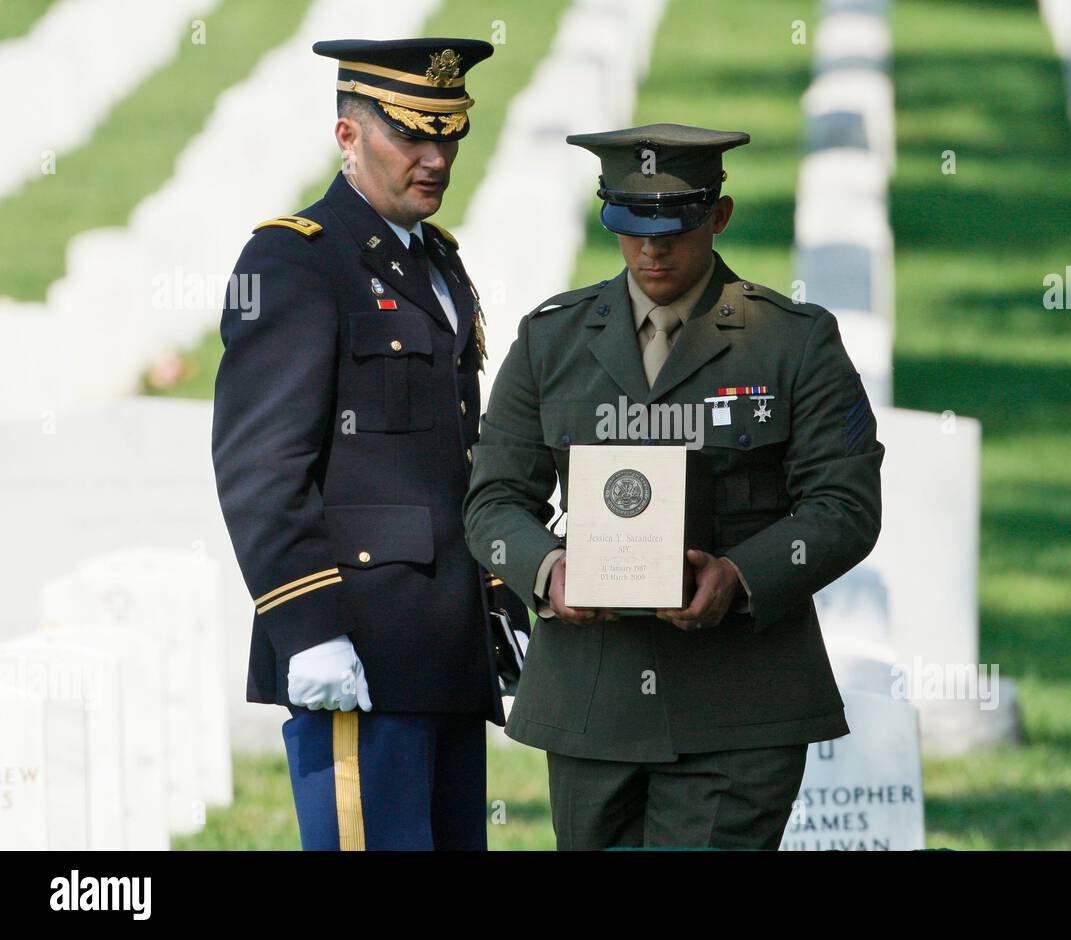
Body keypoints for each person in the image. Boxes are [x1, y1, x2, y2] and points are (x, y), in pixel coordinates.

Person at [462, 123, 886, 850]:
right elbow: (494, 500)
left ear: (717, 217)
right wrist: (546, 569)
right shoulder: (550, 340)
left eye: (674, 227)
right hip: (591, 704)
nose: (651, 249)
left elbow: (845, 504)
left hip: (739, 705)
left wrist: (741, 576)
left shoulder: (794, 342)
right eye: (631, 228)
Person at [211, 37, 522, 851]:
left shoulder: (436, 262)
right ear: (348, 136)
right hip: (358, 643)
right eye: (412, 135)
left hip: (445, 649)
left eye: (448, 134)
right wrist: (307, 624)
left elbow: (451, 452)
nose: (436, 157)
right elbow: (260, 466)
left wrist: (497, 595)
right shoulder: (294, 260)